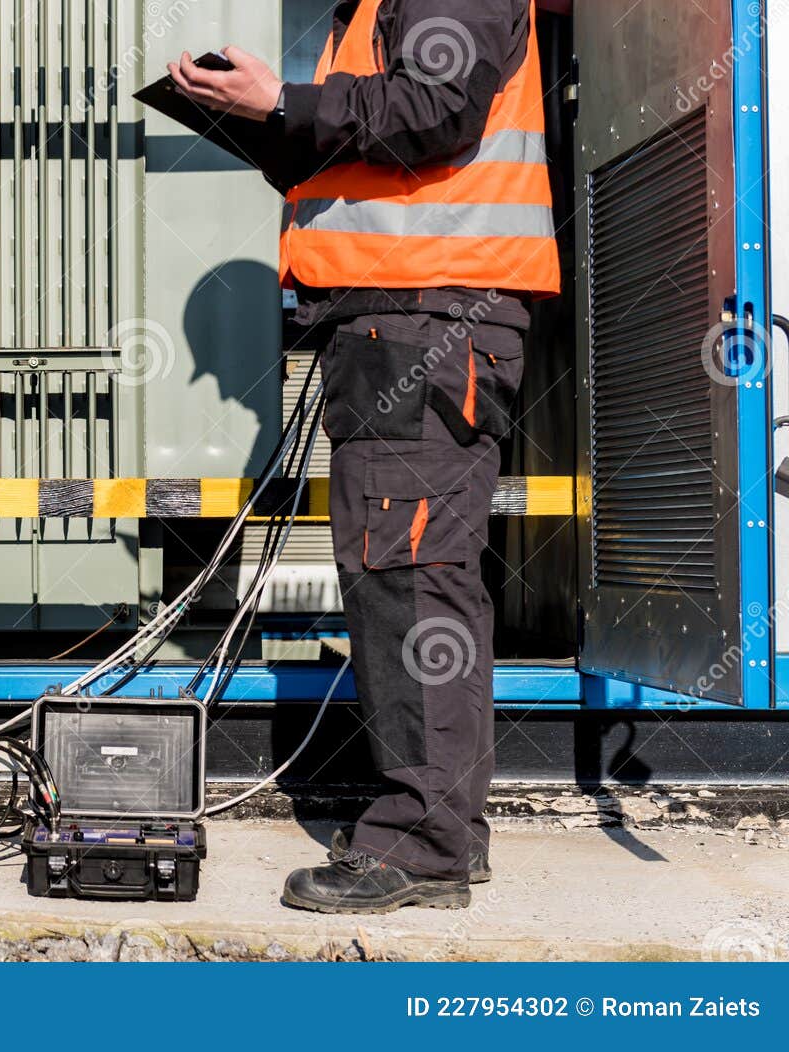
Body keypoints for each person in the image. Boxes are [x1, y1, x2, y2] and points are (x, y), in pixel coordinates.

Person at [169, 0, 559, 912]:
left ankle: (424, 845)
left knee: (412, 573)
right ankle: (445, 826)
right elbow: (384, 137)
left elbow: (435, 110)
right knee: (412, 572)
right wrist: (269, 118)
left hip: (427, 321)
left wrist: (287, 100)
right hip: (407, 322)